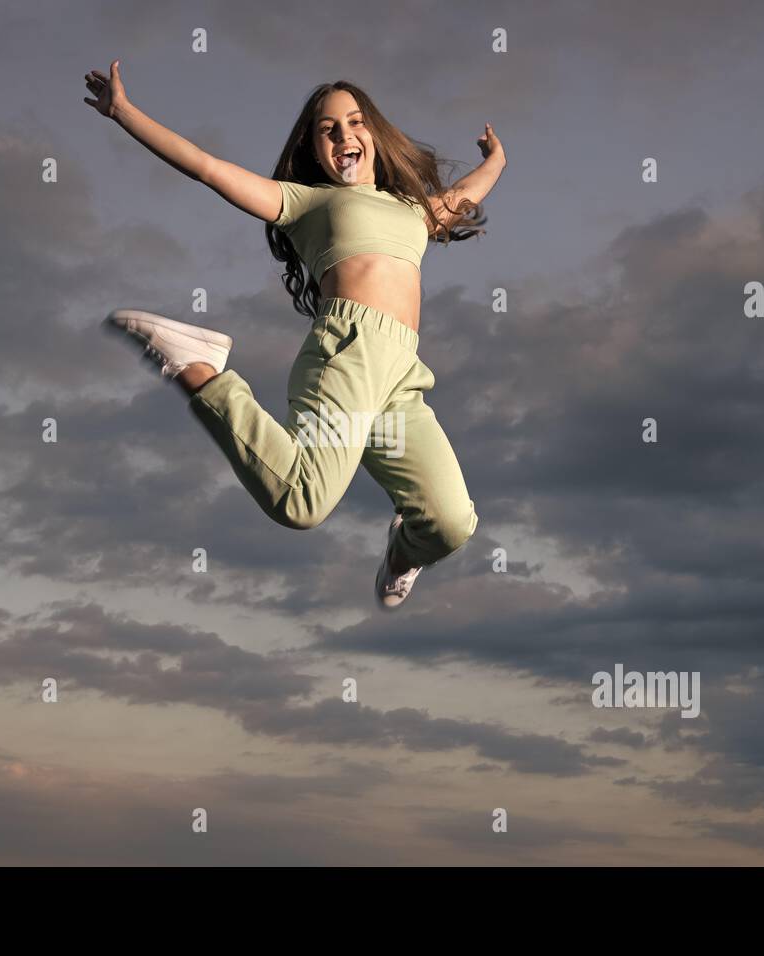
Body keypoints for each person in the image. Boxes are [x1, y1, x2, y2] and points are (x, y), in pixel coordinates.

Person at [84, 63, 505, 609]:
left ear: (375, 135)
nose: (344, 135)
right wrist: (124, 113)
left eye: (355, 122)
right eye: (328, 129)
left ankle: (403, 552)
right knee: (300, 501)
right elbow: (208, 168)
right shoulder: (307, 203)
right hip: (348, 353)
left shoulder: (413, 211)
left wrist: (497, 159)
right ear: (314, 149)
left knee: (450, 523)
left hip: (401, 378)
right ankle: (200, 370)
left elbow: (467, 192)